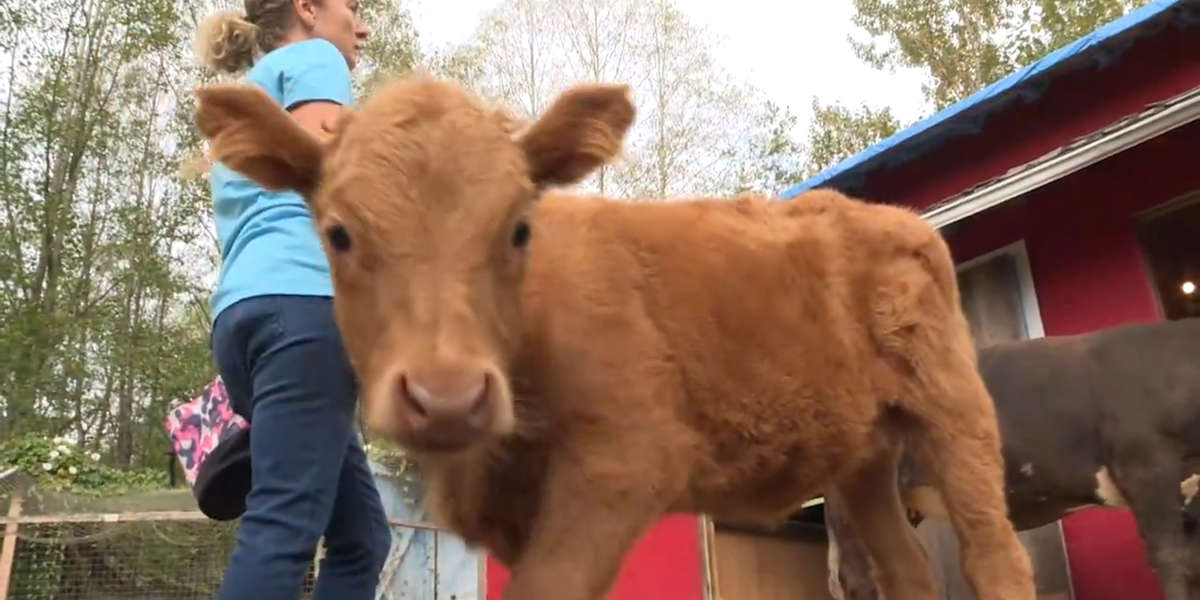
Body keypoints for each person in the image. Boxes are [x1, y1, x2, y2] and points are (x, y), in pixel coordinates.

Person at [194, 1, 390, 598]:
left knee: (361, 537)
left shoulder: (248, 99)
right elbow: (325, 166)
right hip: (306, 305)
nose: (361, 26)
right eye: (351, 7)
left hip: (246, 317)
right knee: (282, 527)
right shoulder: (315, 56)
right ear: (308, 9)